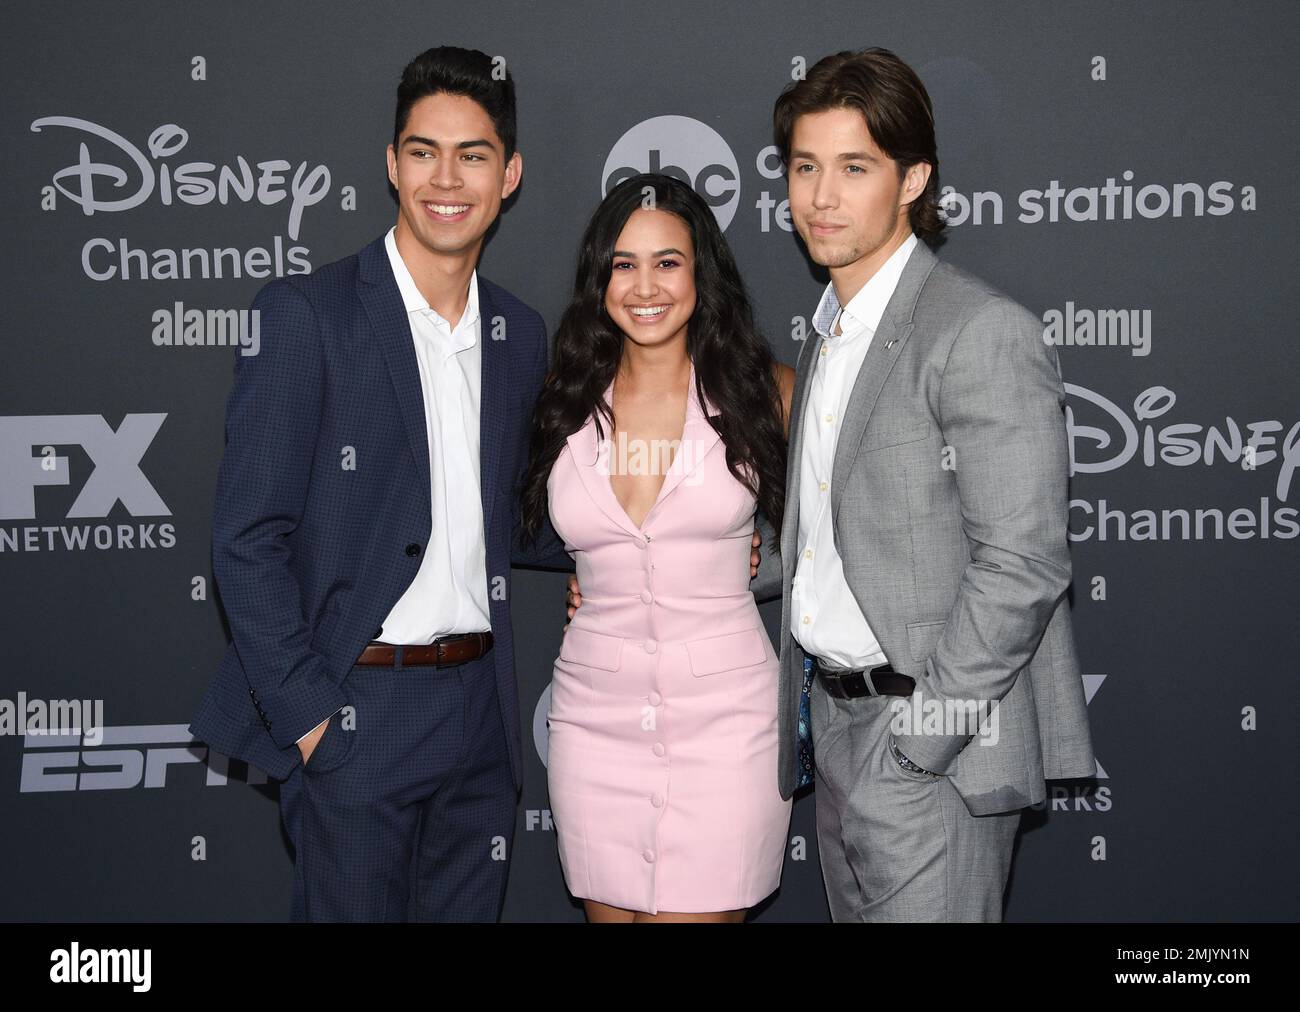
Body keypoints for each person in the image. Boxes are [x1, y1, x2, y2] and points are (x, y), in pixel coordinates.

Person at [188, 46, 571, 922]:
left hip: (481, 712)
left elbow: (514, 514)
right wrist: (311, 718)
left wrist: (635, 539)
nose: (447, 178)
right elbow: (247, 540)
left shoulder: (520, 330)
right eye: (423, 151)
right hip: (357, 706)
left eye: (473, 154)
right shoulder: (307, 316)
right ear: (391, 165)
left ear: (508, 175)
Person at [755, 47, 1097, 921]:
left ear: (913, 180)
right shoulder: (829, 332)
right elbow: (835, 537)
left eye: (854, 168)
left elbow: (1023, 564)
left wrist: (919, 750)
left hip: (926, 749)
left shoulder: (979, 332)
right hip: (832, 730)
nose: (821, 197)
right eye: (804, 167)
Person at [520, 173, 796, 922]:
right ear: (599, 279)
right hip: (592, 724)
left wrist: (756, 562)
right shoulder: (563, 399)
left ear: (701, 274)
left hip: (727, 725)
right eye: (624, 263)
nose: (646, 286)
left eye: (668, 262)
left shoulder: (767, 393)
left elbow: (844, 538)